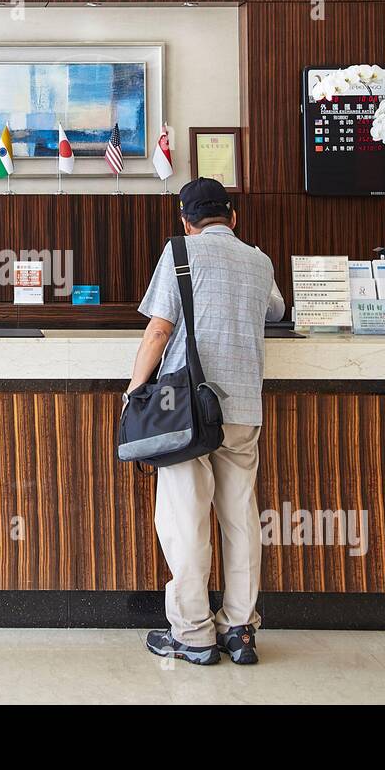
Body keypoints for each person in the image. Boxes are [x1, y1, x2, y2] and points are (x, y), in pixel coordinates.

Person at [128, 177, 285, 665]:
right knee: (240, 521)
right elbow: (277, 311)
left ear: (185, 220)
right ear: (232, 217)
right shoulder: (259, 260)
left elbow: (158, 330)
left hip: (187, 416)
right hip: (242, 411)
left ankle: (194, 633)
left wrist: (134, 392)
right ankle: (239, 630)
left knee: (185, 521)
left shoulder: (180, 253)